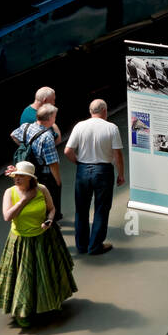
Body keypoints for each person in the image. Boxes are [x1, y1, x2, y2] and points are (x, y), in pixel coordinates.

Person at [0, 161, 76, 327]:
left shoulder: (42, 189)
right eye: (16, 176)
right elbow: (7, 217)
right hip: (22, 241)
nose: (17, 179)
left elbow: (52, 209)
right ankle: (23, 312)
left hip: (44, 238)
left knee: (47, 273)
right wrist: (23, 201)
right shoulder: (9, 193)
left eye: (21, 176)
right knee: (24, 279)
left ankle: (50, 303)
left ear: (30, 179)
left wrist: (50, 220)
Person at [63, 100, 125, 257]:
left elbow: (67, 151)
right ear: (104, 110)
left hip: (83, 170)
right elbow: (117, 154)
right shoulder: (111, 128)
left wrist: (79, 162)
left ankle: (81, 246)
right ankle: (95, 246)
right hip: (103, 171)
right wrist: (121, 174)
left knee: (81, 209)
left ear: (90, 111)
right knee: (101, 209)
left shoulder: (79, 126)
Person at [10, 105, 62, 223]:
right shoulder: (47, 137)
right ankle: (50, 222)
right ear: (49, 119)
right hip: (44, 174)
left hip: (29, 171)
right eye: (54, 117)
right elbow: (52, 163)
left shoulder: (26, 126)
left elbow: (13, 135)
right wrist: (58, 181)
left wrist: (25, 147)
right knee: (49, 201)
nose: (55, 119)